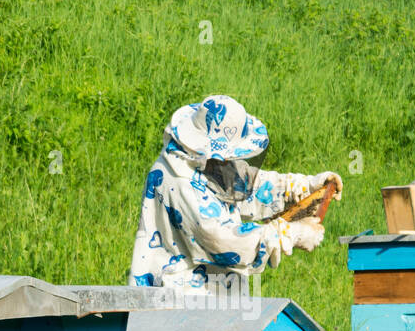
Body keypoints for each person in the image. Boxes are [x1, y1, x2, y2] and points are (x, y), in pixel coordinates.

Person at [127, 95, 342, 293]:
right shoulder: (178, 180)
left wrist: (304, 186)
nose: (231, 163)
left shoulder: (207, 161)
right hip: (177, 300)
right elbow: (224, 240)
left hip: (214, 302)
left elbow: (250, 184)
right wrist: (289, 234)